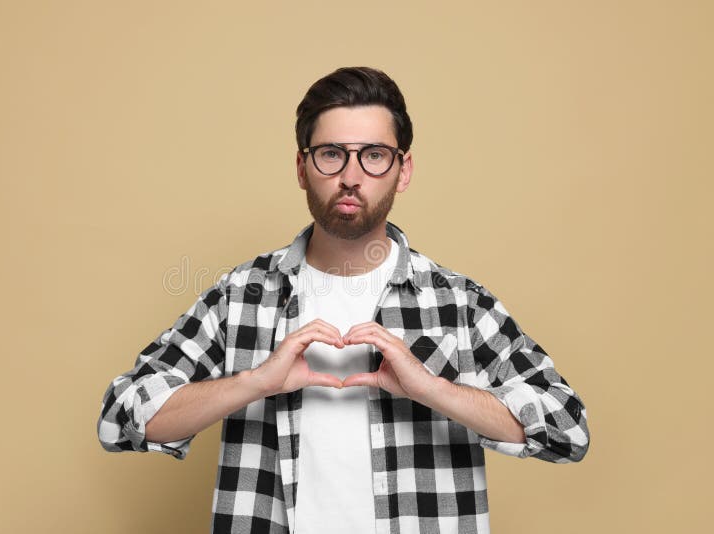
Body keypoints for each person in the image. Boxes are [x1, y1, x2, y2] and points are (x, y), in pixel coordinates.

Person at [97, 66, 589, 534]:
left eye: (374, 154)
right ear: (302, 166)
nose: (351, 175)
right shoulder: (242, 295)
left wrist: (431, 388)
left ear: (403, 169)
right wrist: (252, 383)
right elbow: (122, 416)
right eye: (331, 153)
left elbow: (567, 428)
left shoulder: (457, 303)